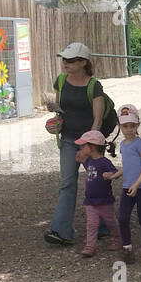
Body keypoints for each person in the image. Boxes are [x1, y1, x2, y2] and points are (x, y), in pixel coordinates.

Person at [45, 41, 108, 246]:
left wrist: (88, 147)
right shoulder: (61, 81)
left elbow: (97, 120)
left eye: (71, 60)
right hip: (68, 140)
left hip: (90, 144)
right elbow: (60, 110)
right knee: (67, 184)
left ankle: (105, 225)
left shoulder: (94, 86)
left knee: (97, 183)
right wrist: (54, 118)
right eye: (64, 59)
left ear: (83, 62)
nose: (66, 63)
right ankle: (60, 231)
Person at [114, 104, 141, 263]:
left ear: (137, 125)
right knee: (122, 218)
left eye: (132, 125)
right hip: (128, 188)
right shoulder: (123, 145)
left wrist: (137, 185)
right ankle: (127, 249)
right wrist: (115, 175)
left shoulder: (140, 143)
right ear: (119, 126)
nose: (129, 129)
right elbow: (128, 166)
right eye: (125, 126)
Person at [75, 130, 119, 258]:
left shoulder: (104, 162)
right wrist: (80, 158)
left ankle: (118, 238)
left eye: (84, 146)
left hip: (105, 200)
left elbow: (115, 173)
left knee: (111, 222)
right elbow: (83, 162)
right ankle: (90, 246)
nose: (81, 148)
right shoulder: (89, 161)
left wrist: (109, 175)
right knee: (91, 224)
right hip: (90, 200)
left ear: (92, 147)